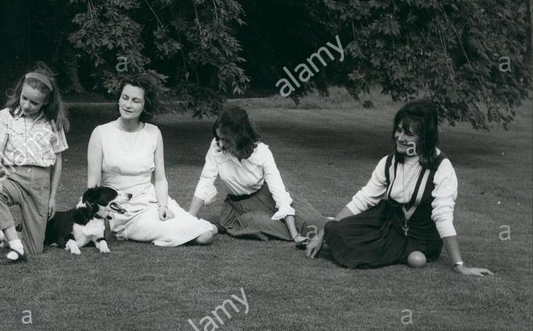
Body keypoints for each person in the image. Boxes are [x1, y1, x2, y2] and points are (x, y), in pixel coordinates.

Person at [305, 100, 493, 275]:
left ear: (424, 138)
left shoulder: (442, 166)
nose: (400, 138)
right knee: (334, 229)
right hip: (389, 223)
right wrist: (322, 234)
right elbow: (364, 199)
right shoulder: (388, 162)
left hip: (423, 239)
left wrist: (460, 266)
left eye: (409, 134)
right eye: (399, 130)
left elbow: (442, 214)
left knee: (361, 254)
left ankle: (389, 248)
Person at [87, 74, 217, 246]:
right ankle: (202, 226)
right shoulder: (101, 133)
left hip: (153, 203)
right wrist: (96, 218)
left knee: (204, 233)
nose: (128, 105)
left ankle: (200, 225)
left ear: (145, 105)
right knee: (204, 236)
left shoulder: (153, 133)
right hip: (123, 211)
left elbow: (161, 178)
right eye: (124, 98)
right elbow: (93, 184)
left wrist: (163, 206)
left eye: (135, 100)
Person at [188, 105, 325, 246]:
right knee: (264, 224)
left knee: (314, 222)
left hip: (267, 197)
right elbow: (205, 181)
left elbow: (278, 190)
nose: (221, 144)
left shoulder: (262, 152)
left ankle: (319, 229)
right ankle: (303, 235)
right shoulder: (216, 148)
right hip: (238, 206)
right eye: (218, 138)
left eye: (226, 139)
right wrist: (189, 220)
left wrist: (294, 233)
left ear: (239, 137)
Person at [0, 63, 69, 265]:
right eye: (24, 98)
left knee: (35, 249)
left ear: (45, 101)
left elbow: (57, 161)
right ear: (19, 92)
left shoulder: (52, 122)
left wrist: (52, 197)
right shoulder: (6, 116)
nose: (27, 105)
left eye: (34, 102)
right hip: (13, 176)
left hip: (40, 185)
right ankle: (15, 245)